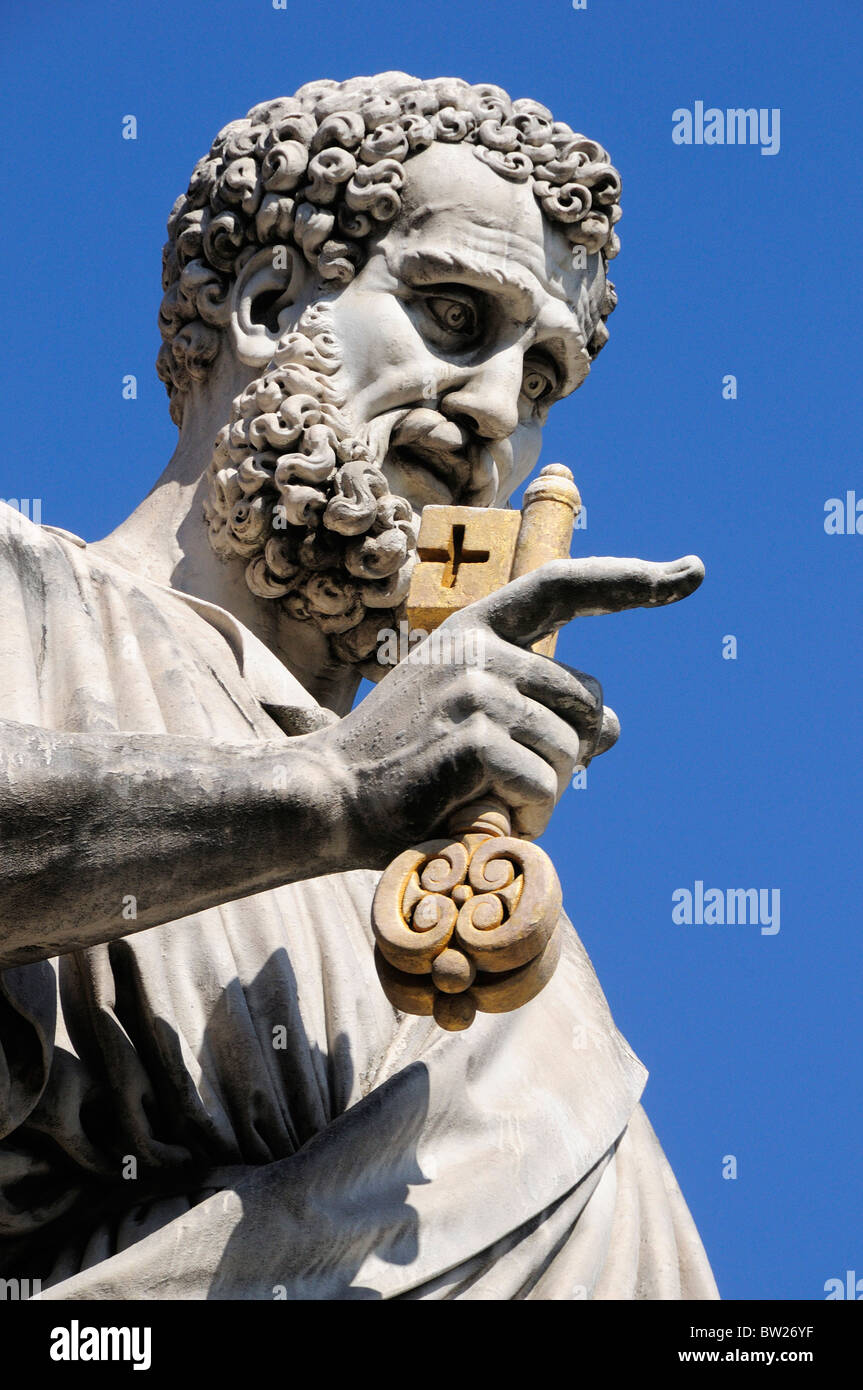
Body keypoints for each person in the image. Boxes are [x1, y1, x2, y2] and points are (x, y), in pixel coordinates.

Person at [0, 72, 717, 1299]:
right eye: (451, 315)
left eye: (540, 379)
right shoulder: (28, 601)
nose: (494, 407)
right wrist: (328, 789)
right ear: (269, 303)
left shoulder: (457, 888)